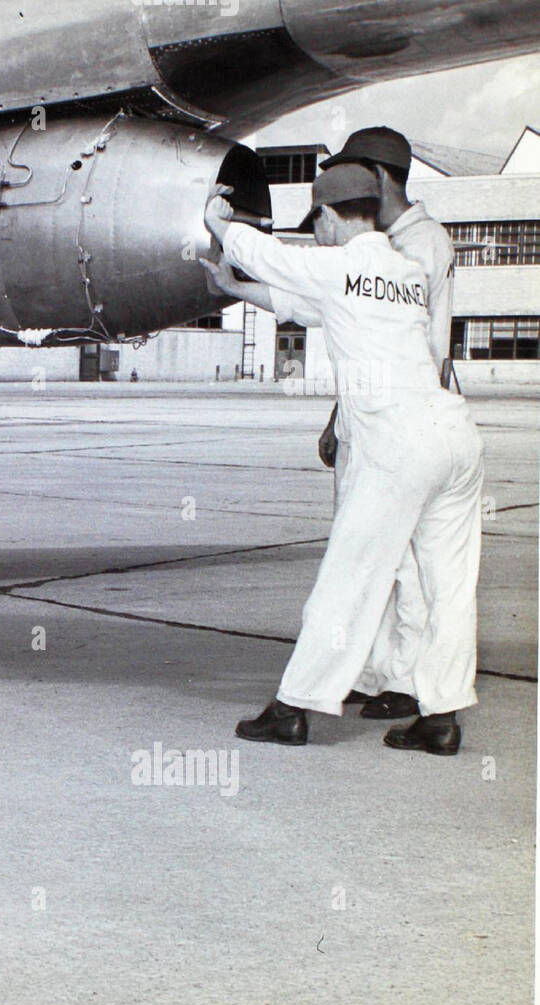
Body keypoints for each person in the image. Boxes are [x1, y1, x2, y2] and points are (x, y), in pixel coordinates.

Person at [202, 165, 483, 755]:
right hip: (453, 433)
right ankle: (441, 716)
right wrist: (232, 287)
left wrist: (216, 222)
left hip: (398, 444)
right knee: (447, 588)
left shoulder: (340, 265)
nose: (319, 235)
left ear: (330, 217)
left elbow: (274, 258)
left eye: (319, 223)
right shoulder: (405, 271)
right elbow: (307, 305)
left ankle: (294, 707)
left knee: (348, 578)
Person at [315, 127, 458, 722]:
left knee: (402, 557)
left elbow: (417, 348)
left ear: (376, 176)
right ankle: (369, 673)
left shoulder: (420, 246)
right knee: (366, 549)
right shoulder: (386, 243)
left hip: (402, 419)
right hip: (367, 417)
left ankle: (403, 681)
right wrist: (337, 416)